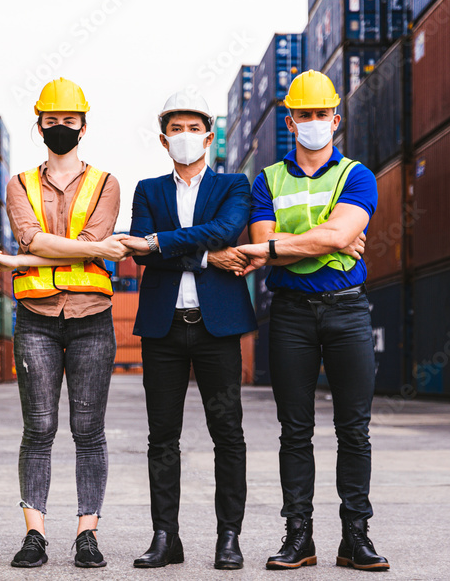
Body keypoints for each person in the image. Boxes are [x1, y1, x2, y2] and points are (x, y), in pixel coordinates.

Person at [238, 70, 388, 571]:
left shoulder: (358, 175)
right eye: (304, 114)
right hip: (290, 316)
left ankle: (356, 537)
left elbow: (279, 245)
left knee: (355, 430)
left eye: (321, 114)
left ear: (335, 119)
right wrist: (328, 238)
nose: (313, 122)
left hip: (347, 310)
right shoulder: (268, 179)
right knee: (294, 431)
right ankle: (298, 537)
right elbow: (277, 248)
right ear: (290, 120)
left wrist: (288, 245)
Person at [119, 90, 257, 571]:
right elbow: (138, 251)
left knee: (228, 434)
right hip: (163, 329)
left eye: (192, 128)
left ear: (209, 135)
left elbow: (225, 232)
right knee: (162, 437)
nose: (185, 136)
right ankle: (165, 537)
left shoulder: (234, 186)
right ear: (163, 139)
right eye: (175, 129)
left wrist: (162, 242)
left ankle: (229, 537)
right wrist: (196, 254)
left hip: (217, 328)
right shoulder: (148, 190)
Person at [0, 78, 128, 569]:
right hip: (36, 319)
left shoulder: (106, 183)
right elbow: (32, 241)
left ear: (83, 126)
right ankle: (35, 536)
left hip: (92, 318)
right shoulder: (20, 184)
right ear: (39, 126)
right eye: (51, 122)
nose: (60, 128)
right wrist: (94, 251)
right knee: (39, 428)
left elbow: (46, 246)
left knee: (88, 428)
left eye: (67, 122)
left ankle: (87, 535)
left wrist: (46, 251)